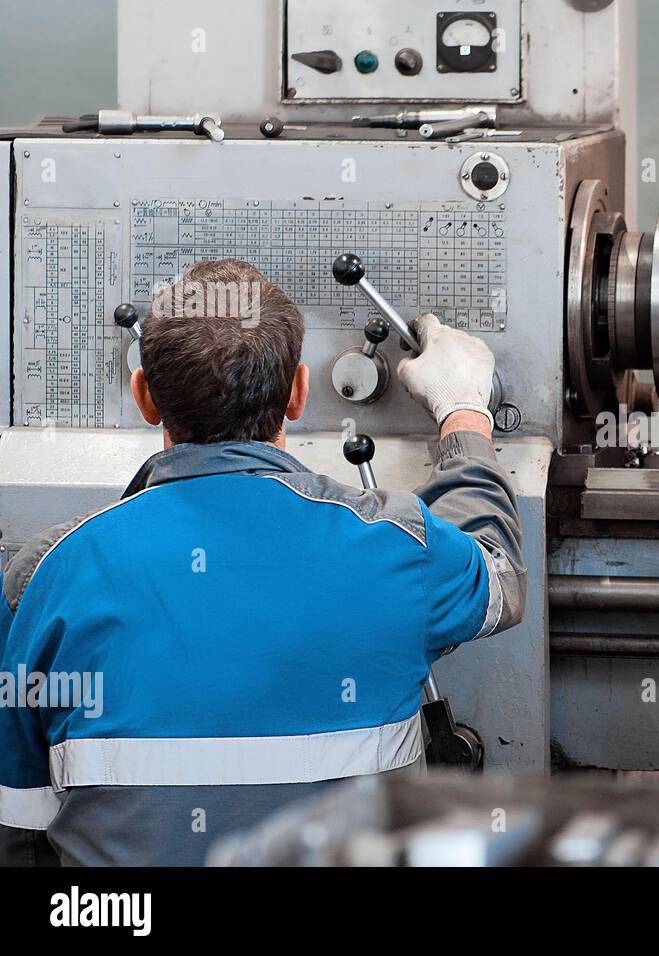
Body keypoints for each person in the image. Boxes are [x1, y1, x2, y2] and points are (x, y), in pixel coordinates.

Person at [0, 259, 524, 865]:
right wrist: (463, 412)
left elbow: (19, 827)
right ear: (299, 392)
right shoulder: (397, 547)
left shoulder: (43, 578)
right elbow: (499, 573)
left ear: (145, 396)